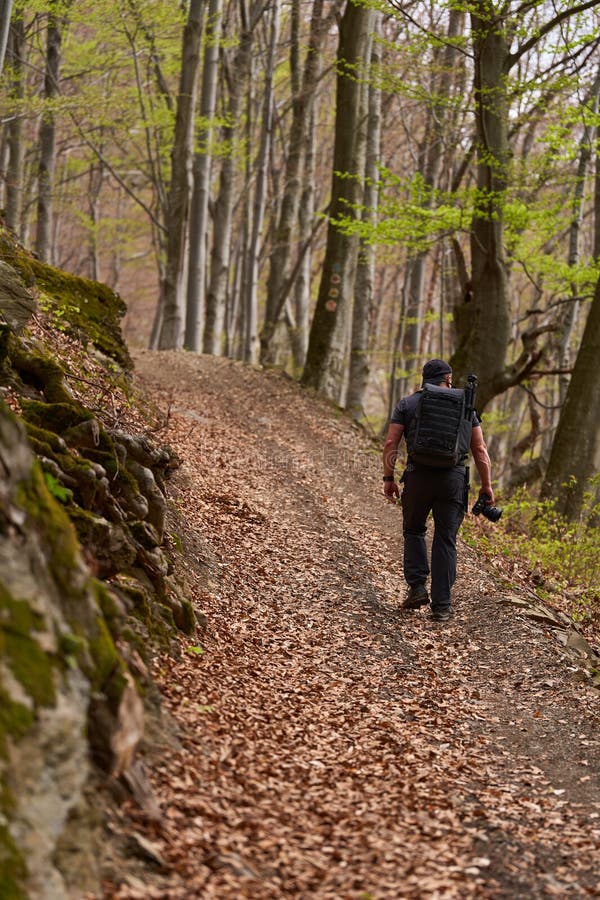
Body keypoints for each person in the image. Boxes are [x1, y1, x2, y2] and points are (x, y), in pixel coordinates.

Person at [382, 358, 495, 622]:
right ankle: (442, 606)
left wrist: (389, 477)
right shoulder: (466, 406)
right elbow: (479, 450)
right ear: (448, 379)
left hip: (418, 476)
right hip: (452, 481)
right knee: (445, 538)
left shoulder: (407, 404)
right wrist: (487, 486)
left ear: (424, 380)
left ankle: (418, 586)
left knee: (414, 530)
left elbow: (390, 443)